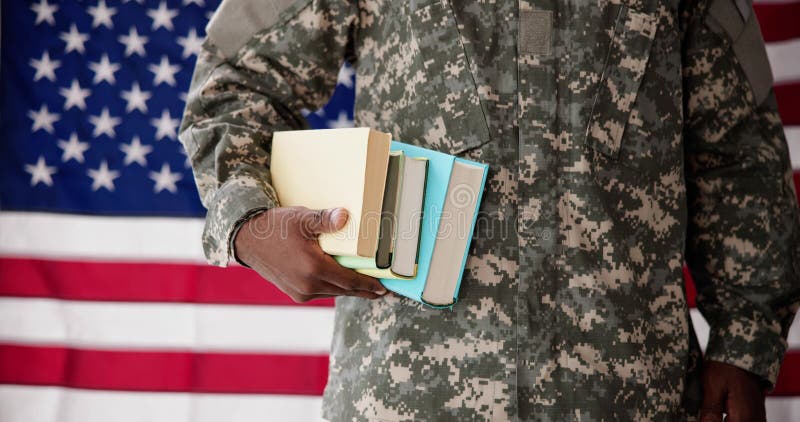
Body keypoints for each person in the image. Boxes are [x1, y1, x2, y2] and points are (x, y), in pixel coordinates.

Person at [179, 0, 800, 420]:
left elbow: (737, 150)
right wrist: (250, 224)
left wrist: (745, 341)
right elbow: (232, 86)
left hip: (629, 396)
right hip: (411, 397)